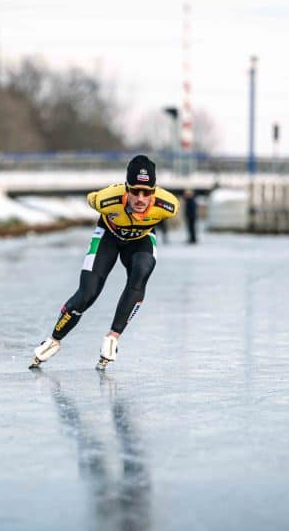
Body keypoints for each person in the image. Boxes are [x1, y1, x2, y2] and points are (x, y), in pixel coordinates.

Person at [30, 154, 180, 370]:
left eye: (146, 193)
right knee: (88, 292)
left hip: (139, 240)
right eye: (134, 191)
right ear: (126, 189)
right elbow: (90, 198)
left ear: (154, 192)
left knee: (142, 271)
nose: (140, 198)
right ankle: (54, 339)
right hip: (108, 237)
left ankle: (113, 337)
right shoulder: (104, 200)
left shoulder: (169, 206)